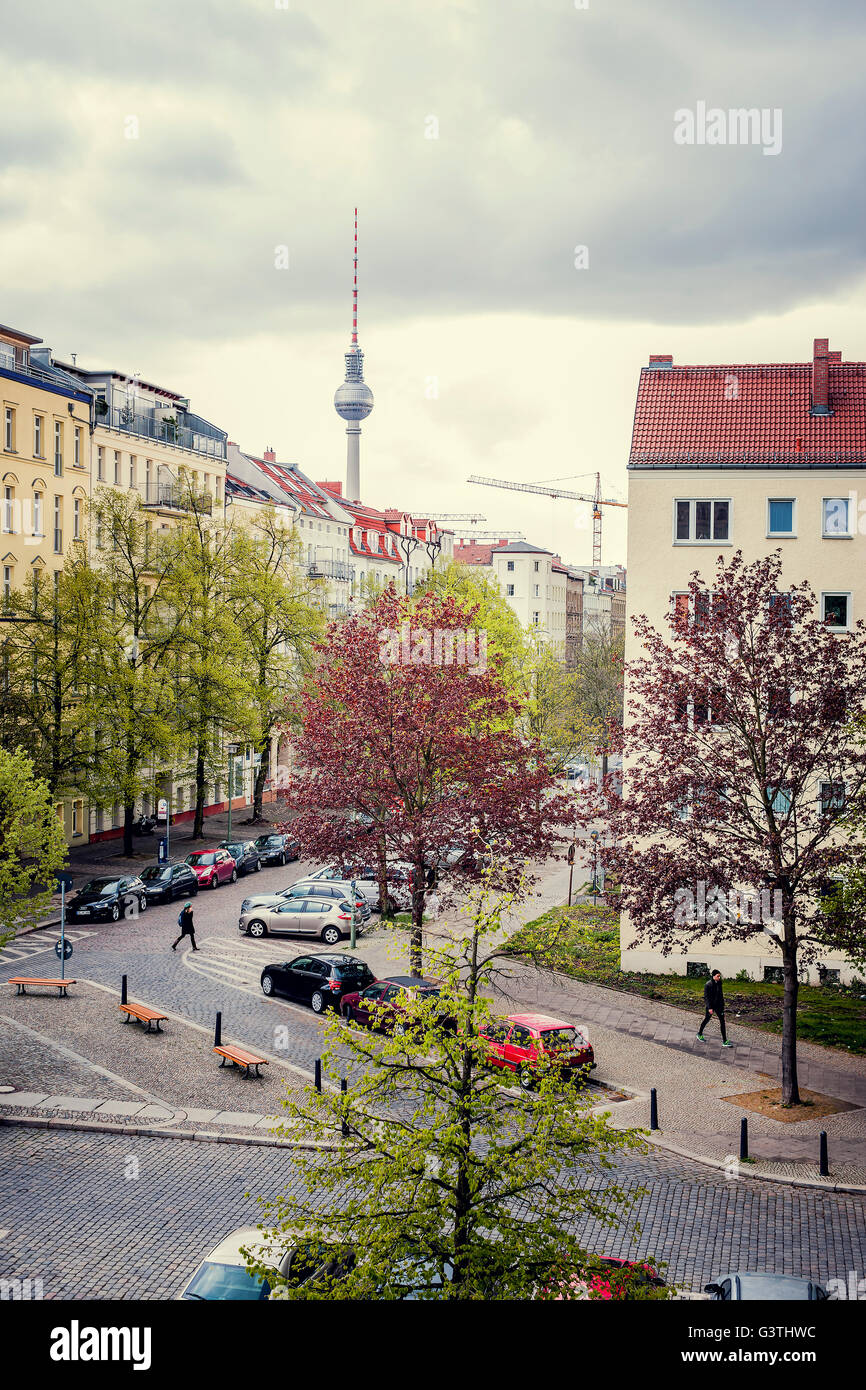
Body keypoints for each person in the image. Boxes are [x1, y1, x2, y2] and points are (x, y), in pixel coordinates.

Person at [697, 969, 731, 1046]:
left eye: (720, 976)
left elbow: (720, 994)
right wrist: (709, 1008)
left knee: (722, 1022)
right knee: (707, 1019)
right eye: (718, 976)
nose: (719, 977)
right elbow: (706, 997)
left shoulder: (719, 983)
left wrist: (722, 1005)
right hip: (711, 1006)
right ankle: (699, 1033)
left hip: (719, 1006)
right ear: (713, 976)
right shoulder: (708, 985)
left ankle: (725, 1041)